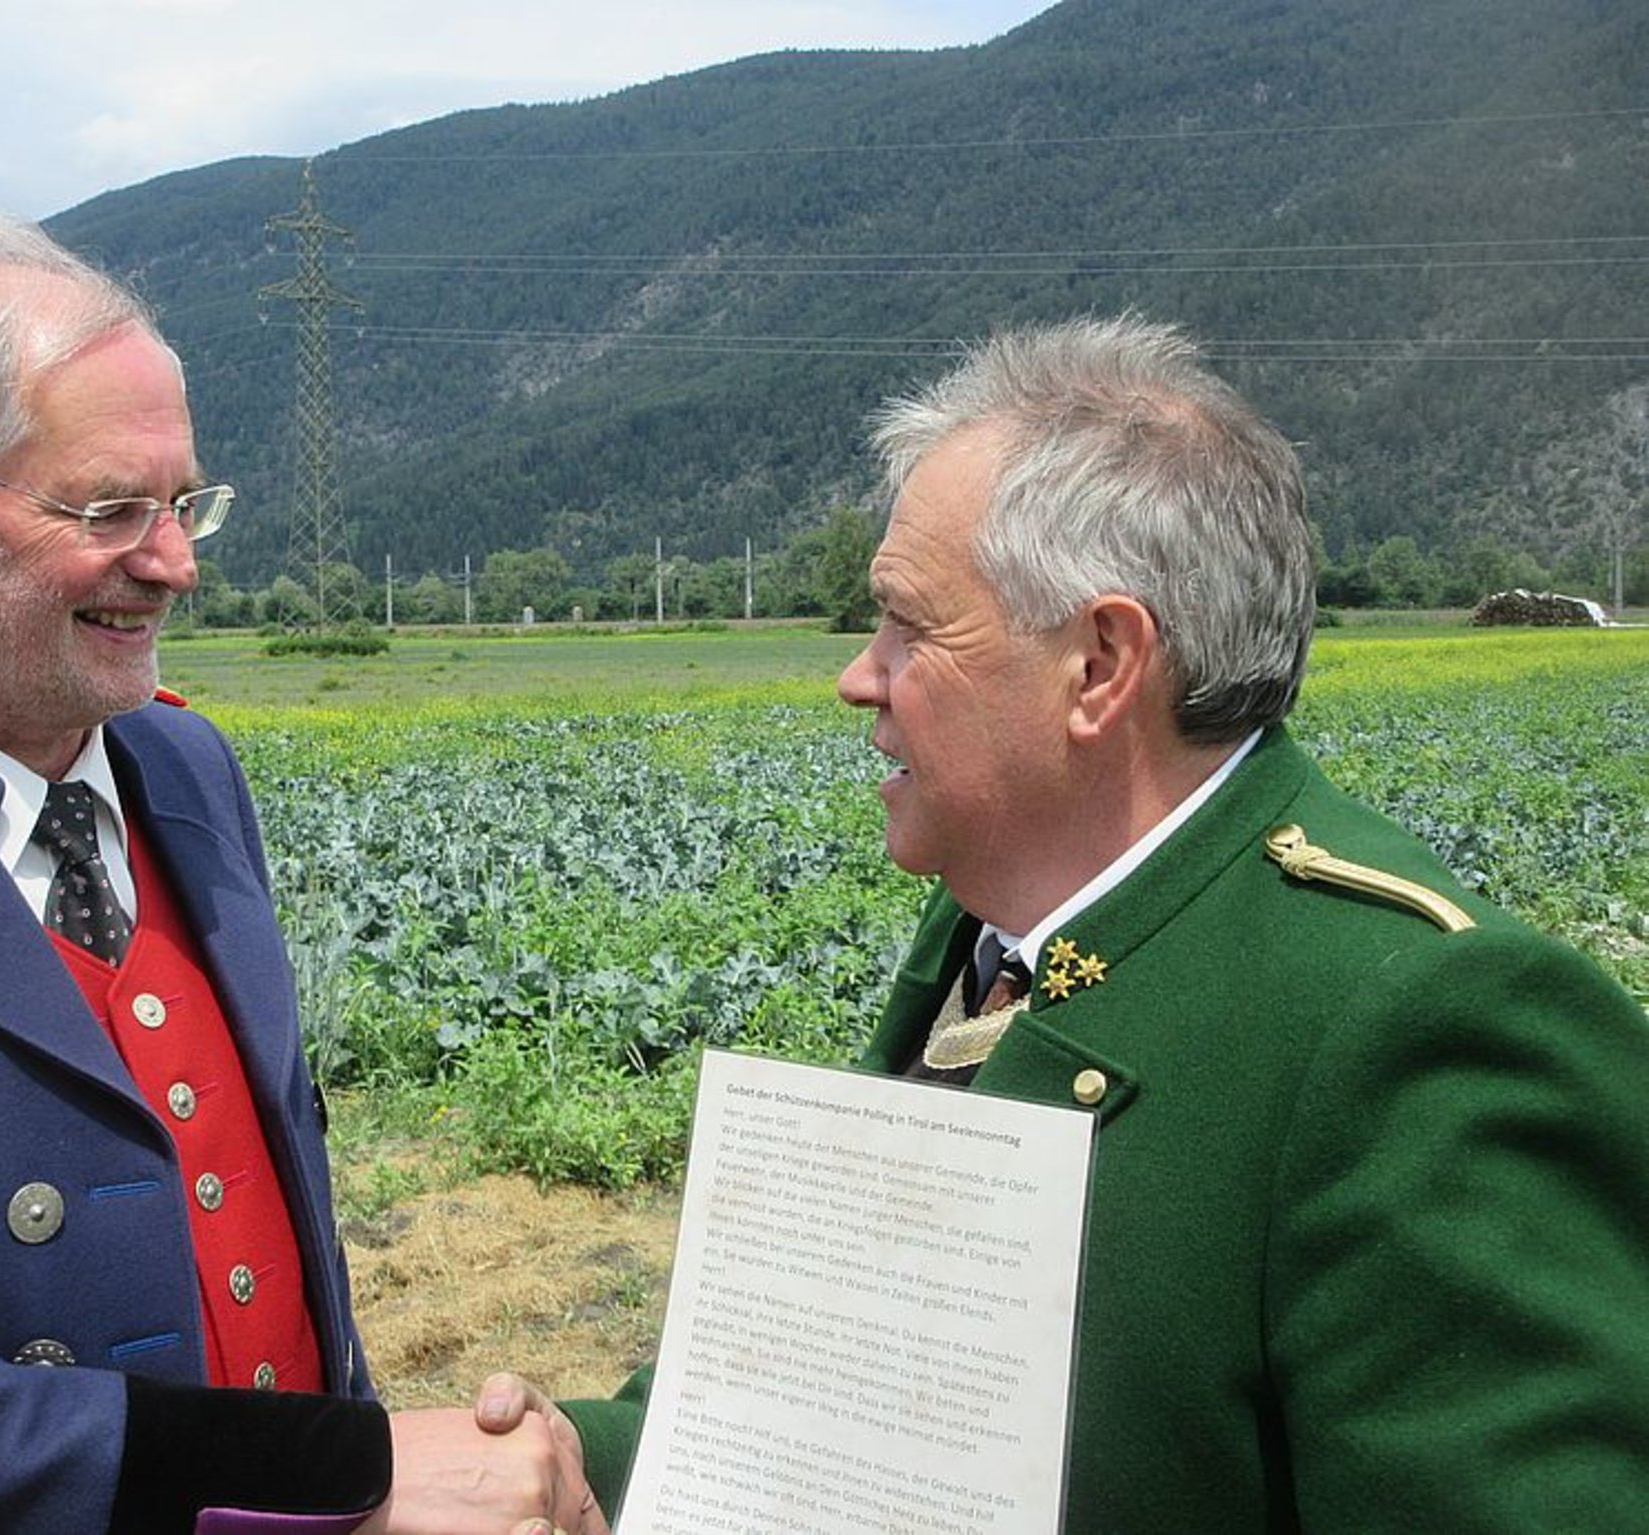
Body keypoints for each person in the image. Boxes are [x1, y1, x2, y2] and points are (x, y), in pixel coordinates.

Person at [490, 314, 1649, 1530]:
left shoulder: (1422, 1022)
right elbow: (842, 1389)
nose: (856, 674)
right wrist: (567, 1461)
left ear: (1098, 663)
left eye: (908, 625)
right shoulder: (997, 920)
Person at [0, 202, 600, 1535]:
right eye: (111, 507)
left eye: (184, 503)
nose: (175, 562)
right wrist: (344, 1473)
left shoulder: (187, 768)